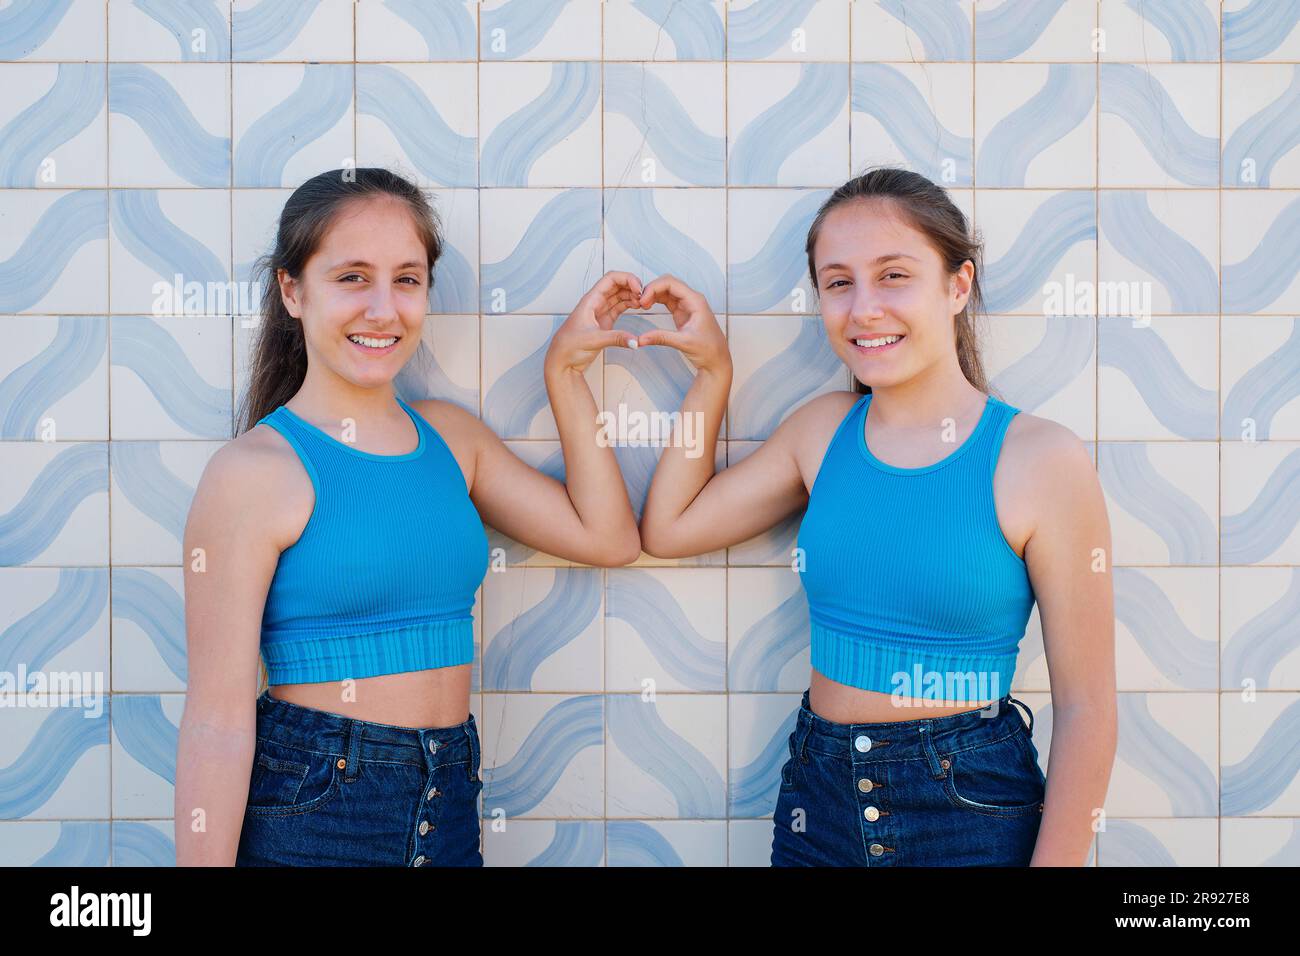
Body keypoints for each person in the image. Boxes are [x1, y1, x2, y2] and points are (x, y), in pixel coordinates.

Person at [635, 167, 1116, 867]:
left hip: (967, 809)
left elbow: (1089, 710)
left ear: (958, 286)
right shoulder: (824, 433)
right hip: (819, 800)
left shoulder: (1039, 459)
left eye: (894, 275)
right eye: (839, 282)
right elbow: (671, 527)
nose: (863, 308)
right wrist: (712, 374)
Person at [175, 167, 642, 866]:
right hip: (318, 808)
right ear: (292, 291)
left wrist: (566, 374)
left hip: (448, 799)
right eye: (352, 278)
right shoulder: (253, 472)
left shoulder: (454, 442)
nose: (384, 309)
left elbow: (608, 538)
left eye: (407, 278)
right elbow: (216, 717)